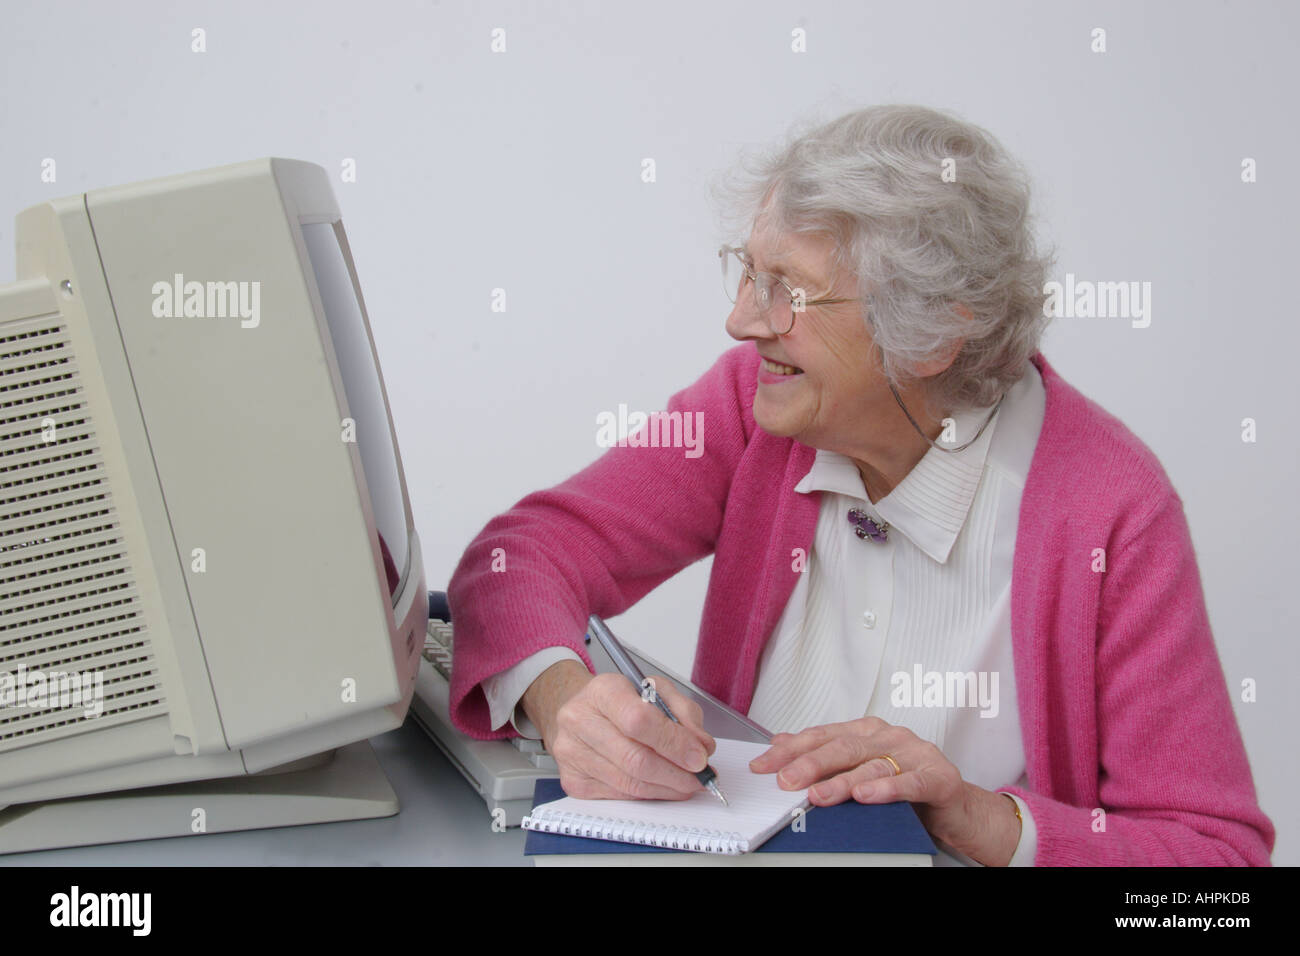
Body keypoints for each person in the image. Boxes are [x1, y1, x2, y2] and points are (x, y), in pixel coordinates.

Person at [446, 104, 1274, 866]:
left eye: (791, 291)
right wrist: (563, 701)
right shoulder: (754, 406)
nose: (743, 320)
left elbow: (1217, 879)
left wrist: (975, 817)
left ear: (935, 333)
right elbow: (515, 561)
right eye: (748, 271)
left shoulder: (1111, 509)